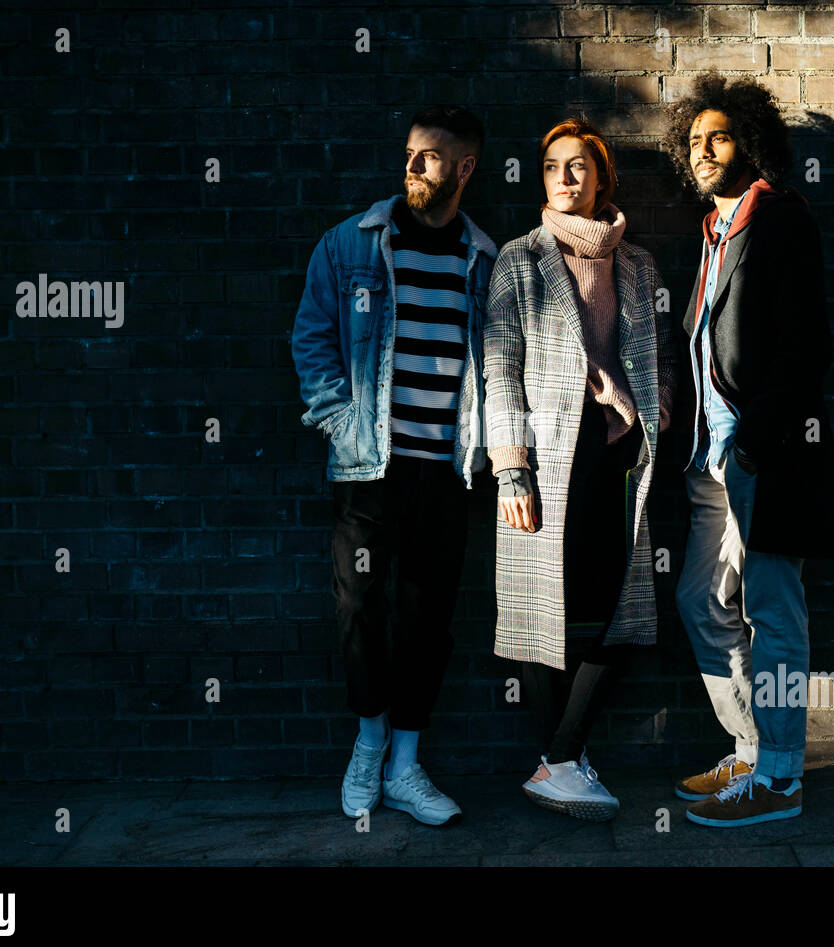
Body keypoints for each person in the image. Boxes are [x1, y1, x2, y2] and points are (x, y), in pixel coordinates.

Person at [290, 106, 497, 826]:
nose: (413, 167)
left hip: (444, 474)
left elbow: (499, 366)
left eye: (431, 157)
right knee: (358, 608)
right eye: (410, 153)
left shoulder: (484, 261)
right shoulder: (351, 245)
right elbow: (312, 338)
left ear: (466, 168)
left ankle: (407, 765)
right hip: (367, 471)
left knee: (427, 619)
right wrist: (344, 425)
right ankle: (369, 740)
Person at [661, 75, 834, 827]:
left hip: (764, 455)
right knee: (702, 601)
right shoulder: (711, 234)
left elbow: (808, 350)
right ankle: (747, 748)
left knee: (773, 610)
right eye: (695, 141)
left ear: (753, 143)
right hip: (712, 460)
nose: (704, 151)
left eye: (720, 137)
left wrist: (755, 441)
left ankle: (780, 779)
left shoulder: (779, 219)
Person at [483, 117, 677, 821]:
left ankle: (559, 758)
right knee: (540, 614)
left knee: (613, 614)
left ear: (601, 179)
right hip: (542, 460)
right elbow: (498, 369)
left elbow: (657, 362)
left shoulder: (638, 266)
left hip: (617, 458)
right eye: (552, 168)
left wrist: (639, 419)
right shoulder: (520, 259)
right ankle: (562, 760)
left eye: (577, 168)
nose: (563, 179)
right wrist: (510, 470)